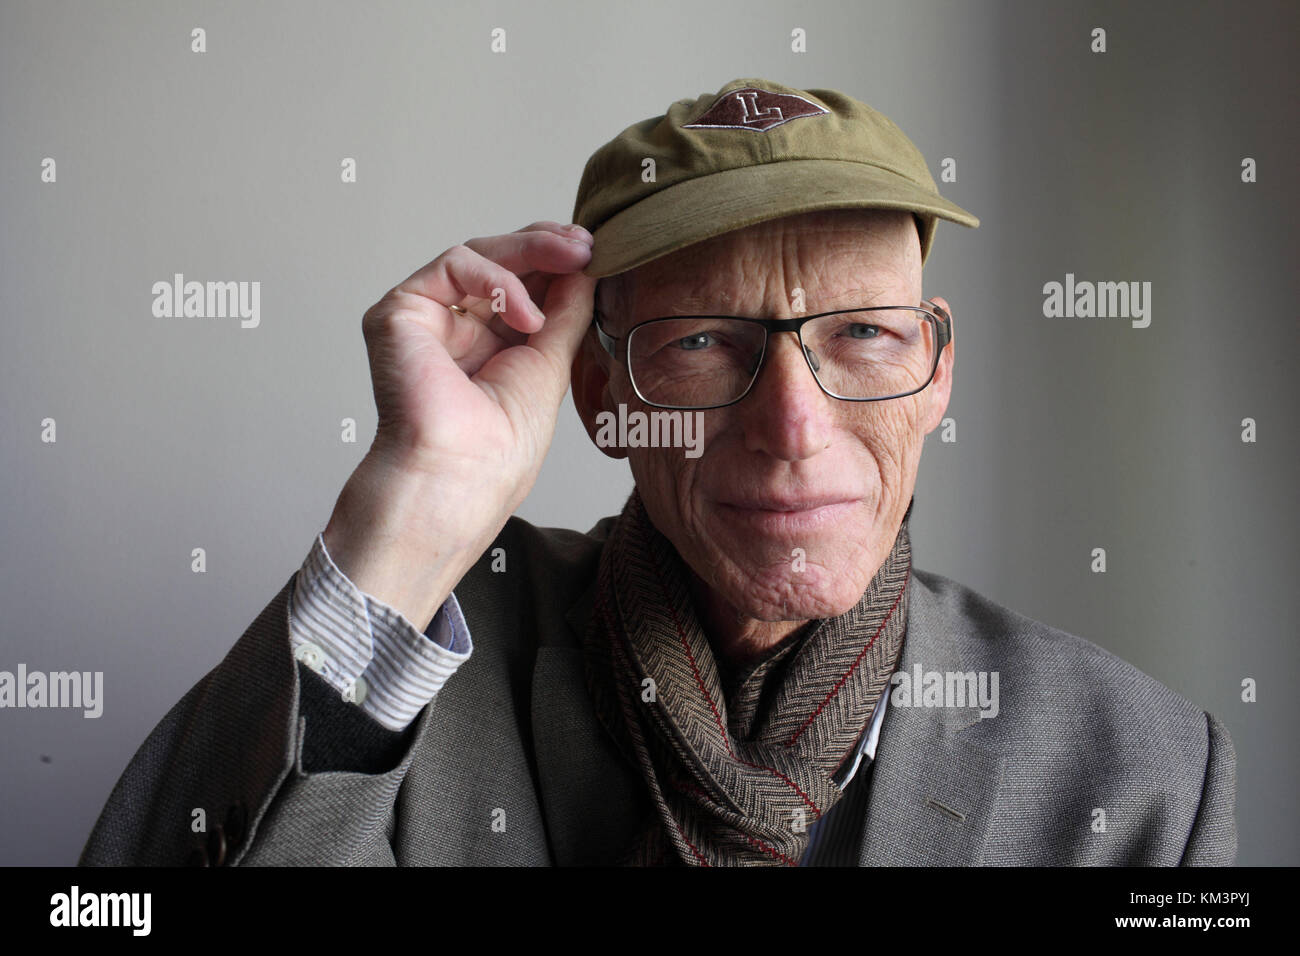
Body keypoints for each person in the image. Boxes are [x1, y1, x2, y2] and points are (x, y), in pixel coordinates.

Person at [79, 78, 1236, 867]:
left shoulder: (1142, 771)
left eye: (862, 336)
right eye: (701, 341)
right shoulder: (415, 667)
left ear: (936, 372)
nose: (792, 424)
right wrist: (412, 512)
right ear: (600, 396)